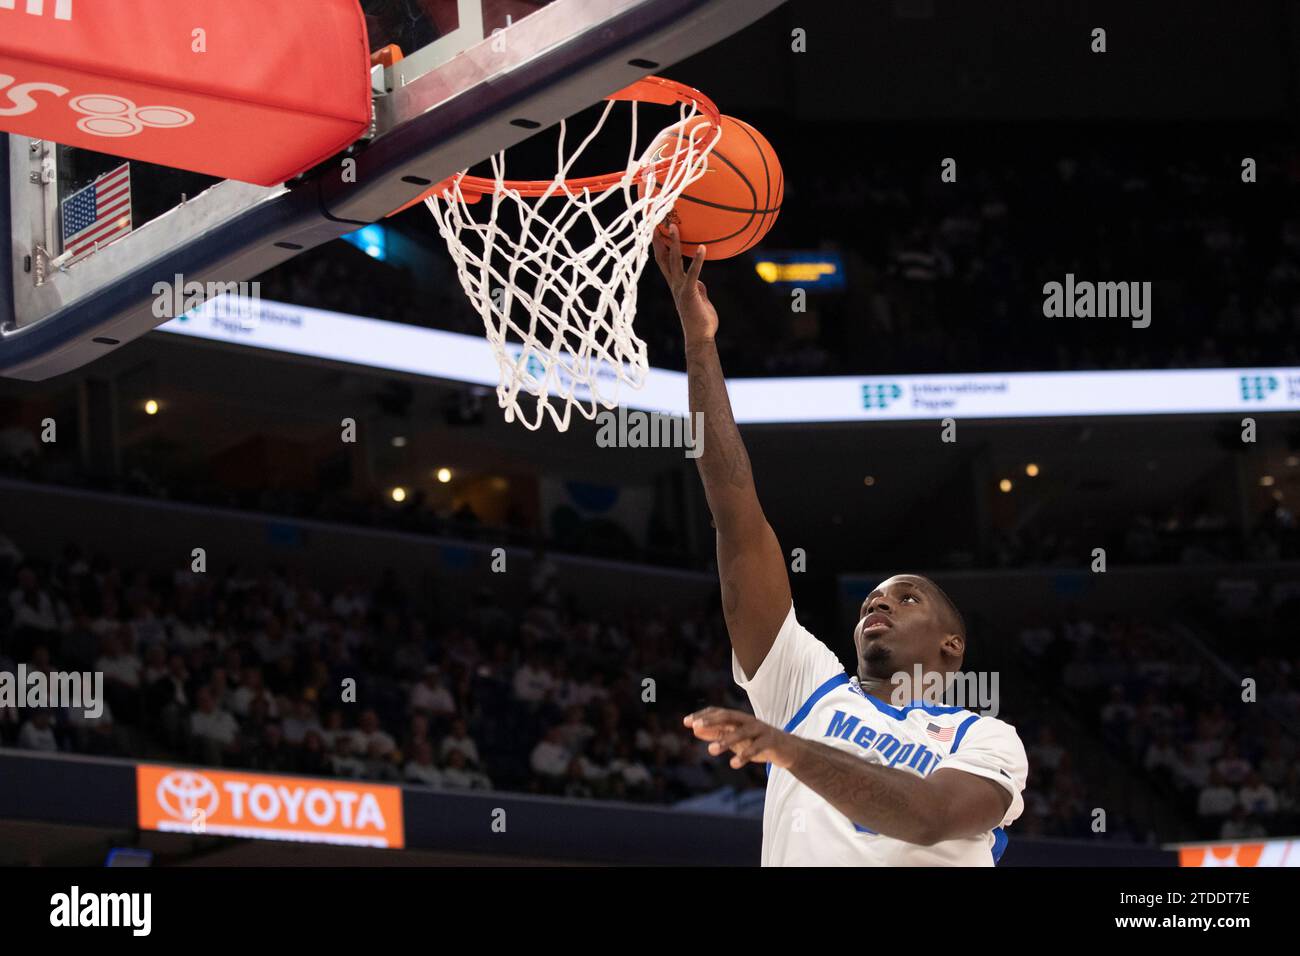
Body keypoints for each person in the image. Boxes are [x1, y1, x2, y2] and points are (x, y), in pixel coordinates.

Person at [654, 224, 1028, 866]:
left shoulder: (985, 739)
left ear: (951, 645)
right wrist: (698, 343)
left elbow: (929, 816)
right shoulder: (806, 684)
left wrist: (785, 747)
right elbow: (736, 514)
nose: (875, 606)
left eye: (906, 598)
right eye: (872, 600)